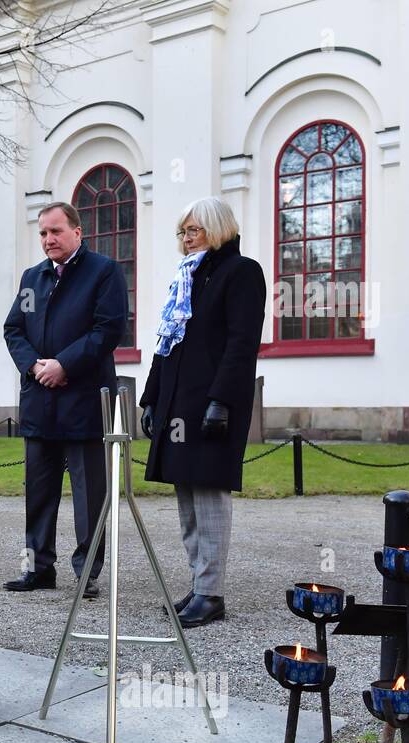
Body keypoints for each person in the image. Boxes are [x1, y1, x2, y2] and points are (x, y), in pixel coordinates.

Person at [139, 197, 265, 628]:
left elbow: (241, 343)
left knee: (209, 498)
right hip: (179, 403)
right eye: (183, 231)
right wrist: (151, 399)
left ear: (218, 228)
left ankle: (211, 594)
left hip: (213, 405)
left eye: (194, 229)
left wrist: (222, 401)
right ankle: (198, 584)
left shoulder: (241, 272)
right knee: (187, 500)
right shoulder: (185, 278)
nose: (187, 237)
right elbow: (165, 343)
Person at [2, 201, 127, 599]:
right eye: (42, 233)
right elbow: (14, 328)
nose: (48, 239)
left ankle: (86, 572)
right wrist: (33, 366)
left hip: (84, 402)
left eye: (55, 231)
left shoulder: (103, 272)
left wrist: (64, 365)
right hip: (39, 400)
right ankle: (38, 568)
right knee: (38, 492)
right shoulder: (32, 278)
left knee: (90, 495)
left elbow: (108, 330)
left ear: (77, 232)